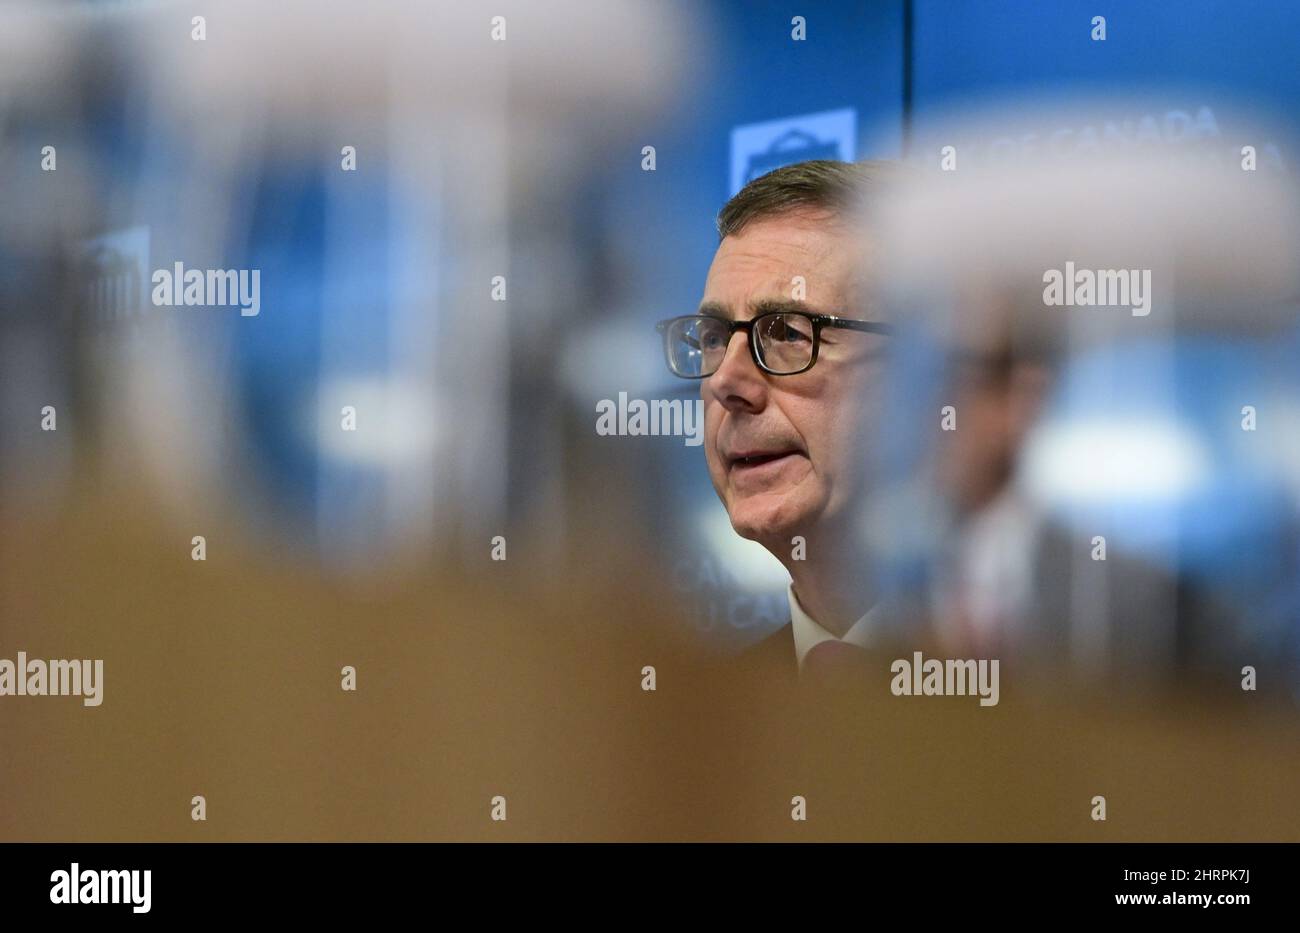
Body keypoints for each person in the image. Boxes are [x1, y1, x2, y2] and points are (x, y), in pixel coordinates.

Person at [656, 160, 901, 678]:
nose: (727, 381)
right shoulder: (710, 721)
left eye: (788, 332)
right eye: (714, 337)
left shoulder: (1070, 687)